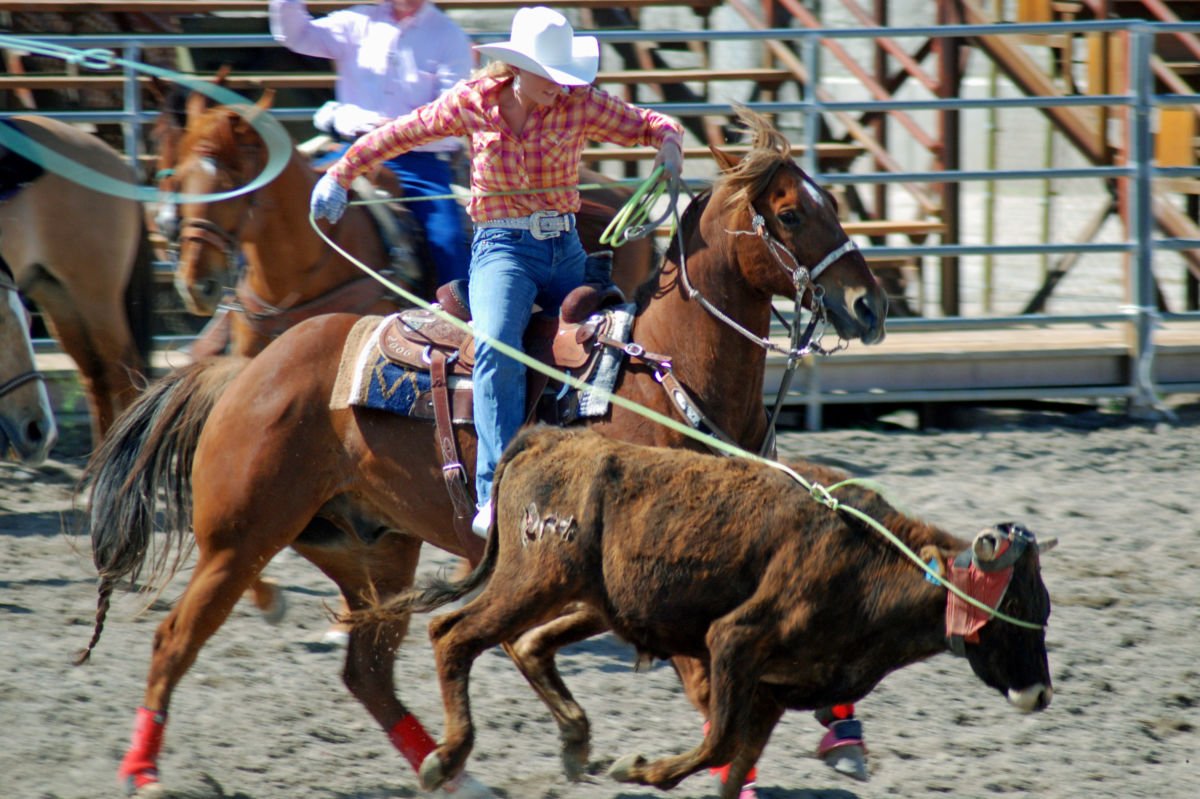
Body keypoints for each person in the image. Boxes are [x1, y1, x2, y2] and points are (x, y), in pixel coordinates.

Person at [311, 6, 684, 540]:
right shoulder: (472, 102)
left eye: (564, 76)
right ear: (518, 69)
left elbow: (650, 123)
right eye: (550, 76)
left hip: (564, 245)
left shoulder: (580, 102)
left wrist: (669, 147)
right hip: (502, 248)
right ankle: (495, 488)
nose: (560, 86)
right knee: (496, 344)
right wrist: (341, 173)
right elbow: (402, 132)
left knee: (613, 341)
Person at [270, 0, 473, 285]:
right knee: (282, 205)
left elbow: (450, 114)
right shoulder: (356, 21)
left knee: (447, 241)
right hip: (349, 151)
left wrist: (392, 130)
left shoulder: (449, 35)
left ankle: (459, 308)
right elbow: (296, 35)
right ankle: (247, 295)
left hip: (419, 162)